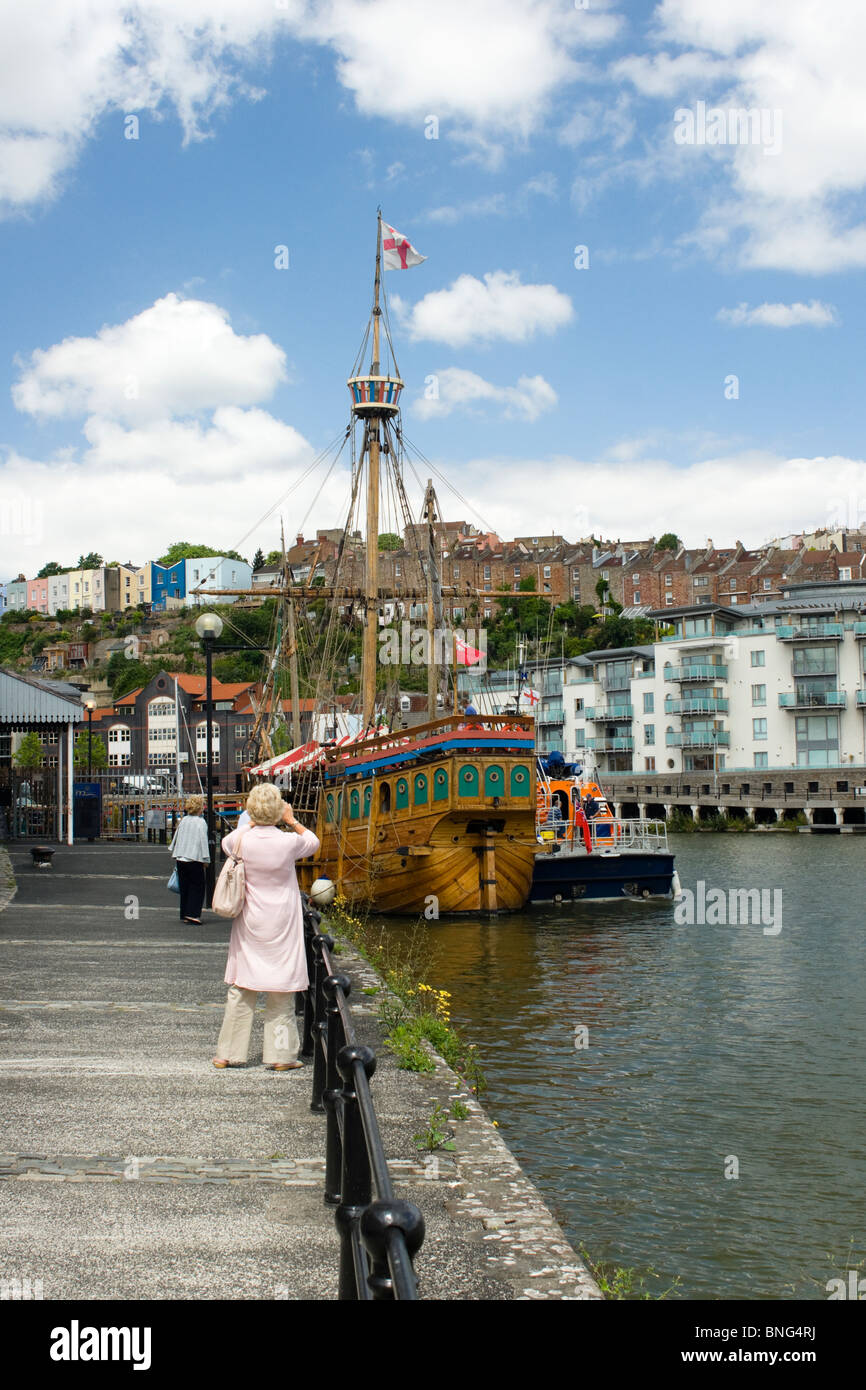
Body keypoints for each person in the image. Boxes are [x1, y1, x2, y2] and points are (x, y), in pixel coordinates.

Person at [212, 782, 320, 1073]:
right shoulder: (288, 843)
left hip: (250, 918)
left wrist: (249, 823)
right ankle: (281, 1055)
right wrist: (291, 820)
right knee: (281, 989)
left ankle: (228, 1053)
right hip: (282, 920)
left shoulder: (239, 841)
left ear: (250, 809)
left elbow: (229, 841)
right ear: (278, 809)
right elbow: (313, 842)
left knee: (242, 986)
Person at [169, 795, 210, 924]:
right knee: (197, 886)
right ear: (200, 808)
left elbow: (176, 837)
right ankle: (193, 914)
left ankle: (185, 913)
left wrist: (174, 851)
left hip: (180, 857)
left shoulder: (184, 820)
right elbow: (203, 841)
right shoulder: (201, 822)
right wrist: (206, 859)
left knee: (185, 886)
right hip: (194, 858)